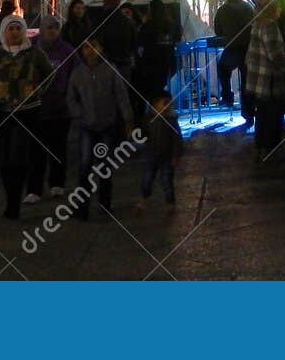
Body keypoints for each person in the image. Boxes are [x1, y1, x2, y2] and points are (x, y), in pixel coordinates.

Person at [0, 15, 54, 220]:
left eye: (17, 29)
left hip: (27, 110)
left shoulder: (34, 54)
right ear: (4, 32)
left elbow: (49, 73)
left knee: (18, 156)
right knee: (5, 159)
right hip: (2, 110)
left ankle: (15, 202)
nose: (14, 33)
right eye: (10, 29)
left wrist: (37, 92)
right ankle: (10, 197)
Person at [66, 39, 133, 219]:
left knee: (104, 166)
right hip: (86, 125)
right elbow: (71, 97)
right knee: (85, 166)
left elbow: (121, 95)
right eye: (86, 47)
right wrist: (79, 114)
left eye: (94, 47)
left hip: (106, 124)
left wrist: (127, 119)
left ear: (101, 49)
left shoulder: (110, 70)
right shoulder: (78, 73)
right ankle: (82, 207)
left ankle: (104, 204)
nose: (90, 51)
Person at [30, 17, 77, 197]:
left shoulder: (66, 51)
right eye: (48, 28)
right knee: (36, 151)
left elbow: (76, 74)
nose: (52, 31)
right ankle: (34, 188)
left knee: (59, 148)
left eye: (55, 28)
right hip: (36, 107)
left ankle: (57, 183)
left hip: (60, 108)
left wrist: (70, 97)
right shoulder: (32, 49)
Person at [244, 0, 285, 158]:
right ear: (272, 10)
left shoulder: (257, 24)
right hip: (269, 80)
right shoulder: (270, 26)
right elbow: (274, 55)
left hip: (258, 80)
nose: (281, 10)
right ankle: (270, 150)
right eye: (278, 7)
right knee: (272, 117)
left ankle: (260, 148)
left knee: (261, 116)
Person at [212, 0, 255, 116]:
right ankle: (248, 111)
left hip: (232, 47)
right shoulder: (248, 7)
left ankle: (227, 96)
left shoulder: (223, 10)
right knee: (247, 81)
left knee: (223, 69)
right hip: (249, 48)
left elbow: (218, 31)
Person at [138, 91, 183, 206]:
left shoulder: (171, 121)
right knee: (147, 178)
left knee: (166, 179)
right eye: (164, 103)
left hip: (166, 156)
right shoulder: (148, 119)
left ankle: (170, 201)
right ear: (154, 106)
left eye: (169, 103)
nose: (167, 106)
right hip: (151, 154)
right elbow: (143, 135)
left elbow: (177, 139)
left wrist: (176, 155)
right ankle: (145, 196)